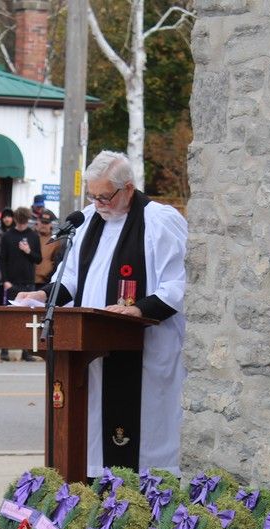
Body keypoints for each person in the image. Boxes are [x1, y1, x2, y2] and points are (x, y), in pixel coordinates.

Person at [16, 150, 187, 477]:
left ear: (129, 189)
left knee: (140, 442)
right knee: (95, 434)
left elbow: (177, 284)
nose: (99, 203)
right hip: (92, 353)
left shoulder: (159, 222)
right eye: (93, 196)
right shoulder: (87, 221)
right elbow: (69, 278)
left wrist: (137, 309)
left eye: (105, 196)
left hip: (143, 350)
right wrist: (42, 295)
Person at [0, 206, 42, 361]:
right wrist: (5, 280)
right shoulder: (7, 236)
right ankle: (4, 350)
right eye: (20, 222)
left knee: (28, 319)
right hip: (11, 282)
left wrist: (28, 251)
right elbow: (2, 260)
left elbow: (38, 259)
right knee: (8, 317)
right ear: (16, 220)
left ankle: (26, 351)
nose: (22, 225)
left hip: (28, 282)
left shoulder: (33, 236)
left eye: (25, 222)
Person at [34, 208, 60, 289]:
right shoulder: (30, 237)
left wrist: (48, 277)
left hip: (44, 284)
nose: (43, 225)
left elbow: (57, 264)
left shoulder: (55, 242)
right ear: (38, 222)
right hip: (26, 282)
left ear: (51, 225)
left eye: (46, 223)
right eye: (42, 222)